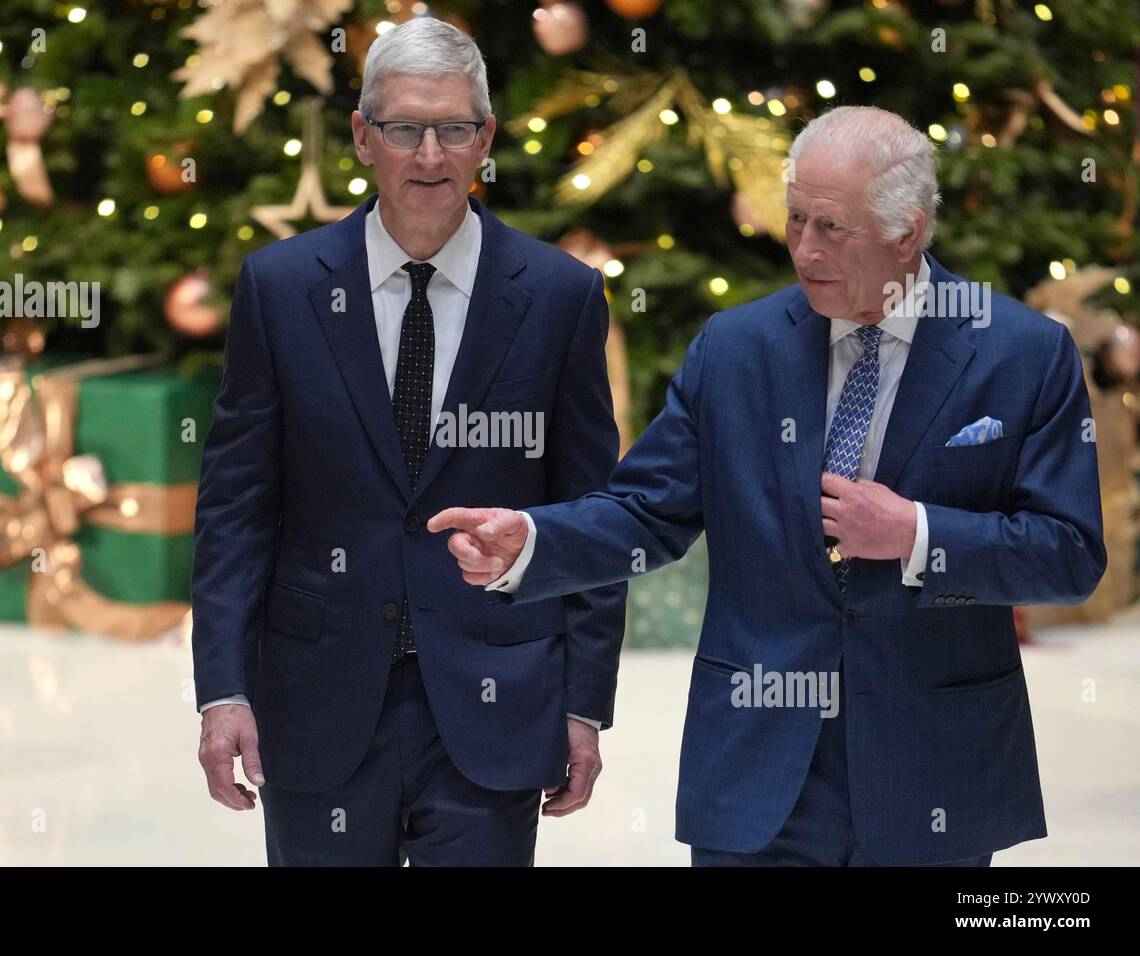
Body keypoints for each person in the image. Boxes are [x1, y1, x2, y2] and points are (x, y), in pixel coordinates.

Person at [430, 106, 1106, 866]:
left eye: (831, 228)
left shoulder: (1022, 353)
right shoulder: (735, 349)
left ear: (907, 234)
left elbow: (1070, 553)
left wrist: (919, 535)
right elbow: (647, 512)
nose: (804, 250)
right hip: (757, 770)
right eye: (795, 221)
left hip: (931, 771)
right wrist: (536, 540)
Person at [190, 17, 626, 866]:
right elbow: (236, 510)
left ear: (486, 139)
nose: (430, 157)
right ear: (362, 136)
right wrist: (223, 689)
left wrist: (583, 706)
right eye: (404, 130)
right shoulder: (280, 291)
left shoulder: (560, 298)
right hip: (316, 700)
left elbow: (590, 522)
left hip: (492, 704)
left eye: (454, 129)